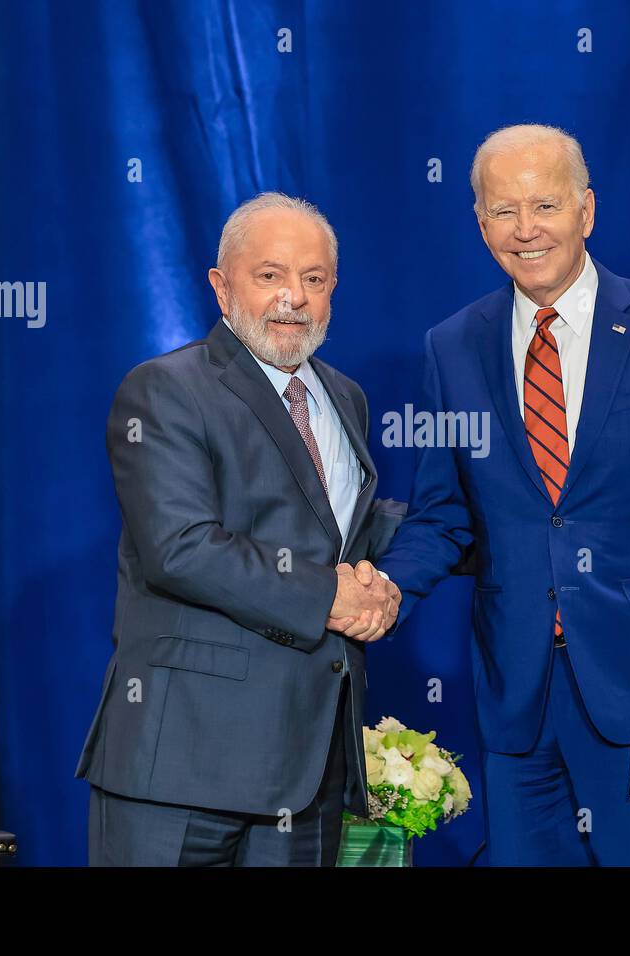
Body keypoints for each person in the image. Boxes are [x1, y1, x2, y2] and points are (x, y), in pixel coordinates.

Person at [377, 125, 630, 866]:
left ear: (586, 210)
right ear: (480, 223)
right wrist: (389, 586)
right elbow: (442, 516)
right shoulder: (451, 346)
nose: (525, 230)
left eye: (545, 205)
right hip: (517, 700)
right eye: (503, 211)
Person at [76, 192, 400, 866]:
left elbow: (341, 534)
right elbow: (180, 548)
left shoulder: (346, 397)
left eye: (313, 279)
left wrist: (400, 573)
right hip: (183, 766)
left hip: (308, 771)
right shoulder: (164, 389)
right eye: (270, 275)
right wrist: (331, 595)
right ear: (222, 287)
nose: (293, 297)